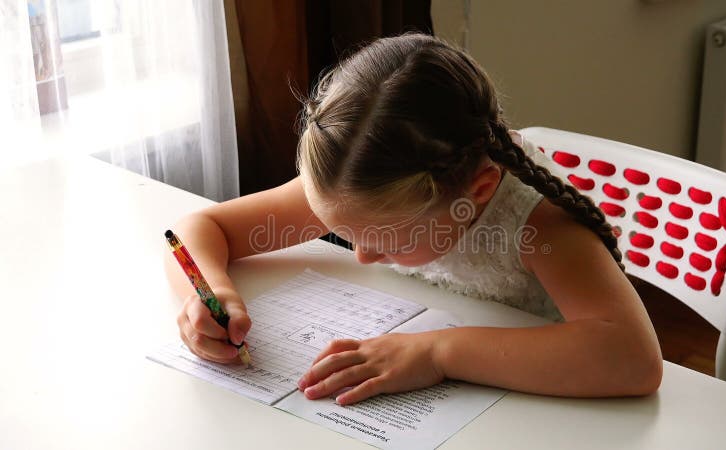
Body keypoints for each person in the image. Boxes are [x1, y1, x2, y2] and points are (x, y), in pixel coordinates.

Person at [165, 33, 662, 406]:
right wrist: (205, 295)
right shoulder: (356, 179)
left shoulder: (539, 226)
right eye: (344, 233)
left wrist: (438, 353)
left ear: (478, 192)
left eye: (386, 242)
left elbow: (631, 359)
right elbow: (196, 231)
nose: (361, 254)